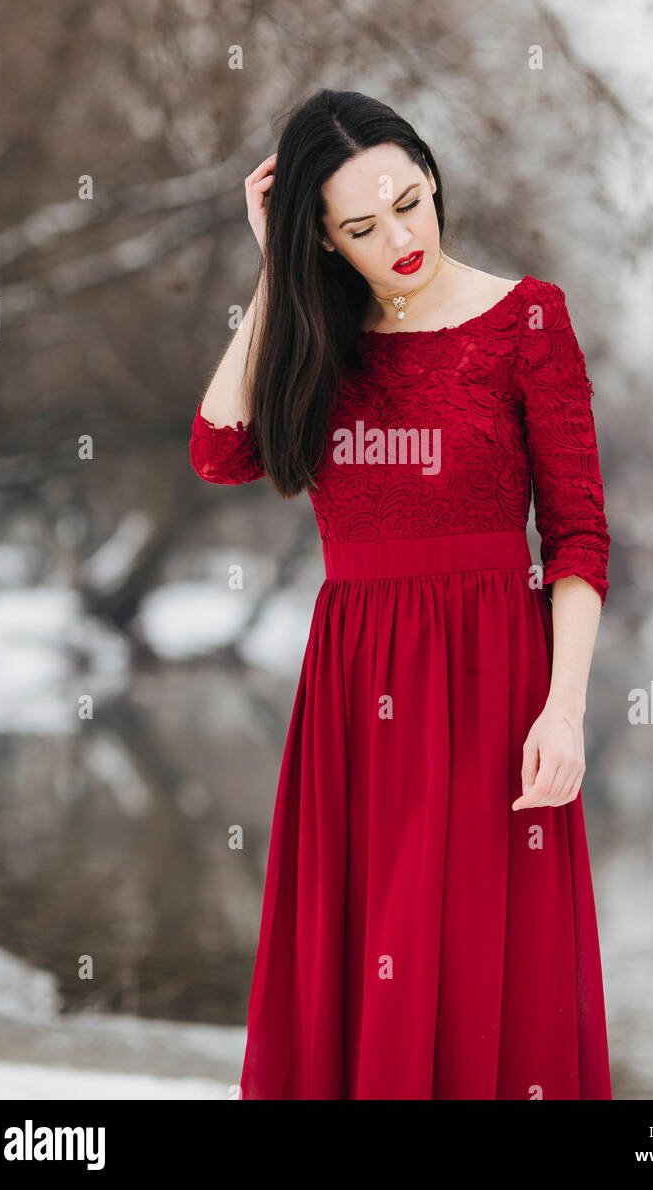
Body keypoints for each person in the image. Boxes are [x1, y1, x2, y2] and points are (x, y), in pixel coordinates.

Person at [189, 88, 612, 1100]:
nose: (401, 238)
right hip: (354, 696)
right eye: (361, 227)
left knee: (480, 964)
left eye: (410, 201)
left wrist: (563, 707)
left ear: (431, 177)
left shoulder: (527, 319)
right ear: (324, 241)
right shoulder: (317, 344)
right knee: (367, 957)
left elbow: (577, 535)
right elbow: (216, 452)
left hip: (493, 687)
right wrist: (267, 270)